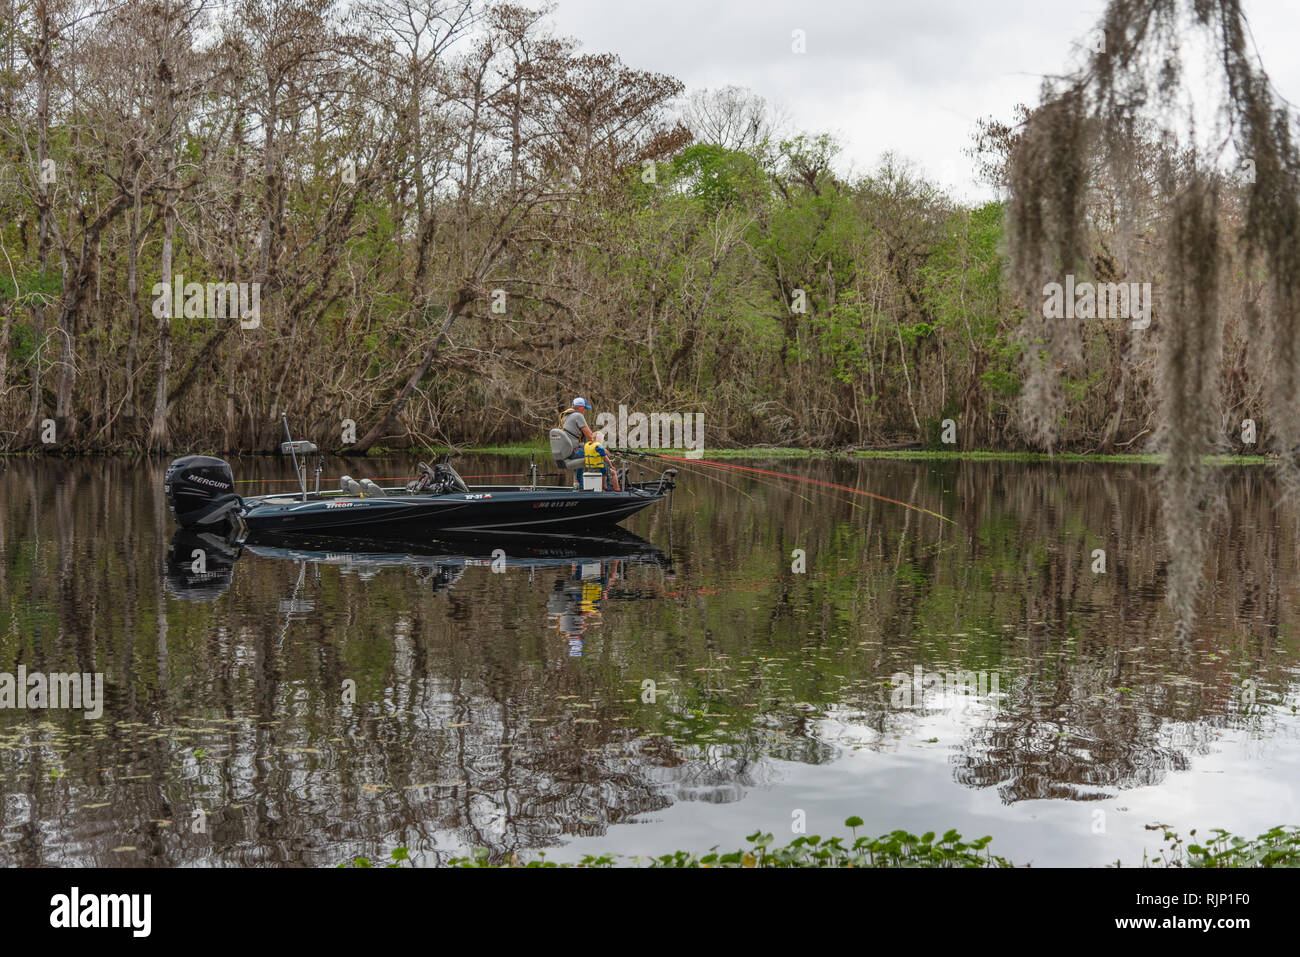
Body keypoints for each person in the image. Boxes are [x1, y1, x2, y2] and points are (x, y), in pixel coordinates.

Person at [558, 397, 596, 486]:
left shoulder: (564, 416)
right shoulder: (578, 415)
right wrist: (597, 447)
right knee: (598, 453)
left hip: (564, 452)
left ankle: (577, 482)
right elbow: (589, 436)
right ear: (580, 407)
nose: (585, 410)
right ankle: (604, 486)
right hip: (573, 452)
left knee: (583, 450)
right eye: (585, 408)